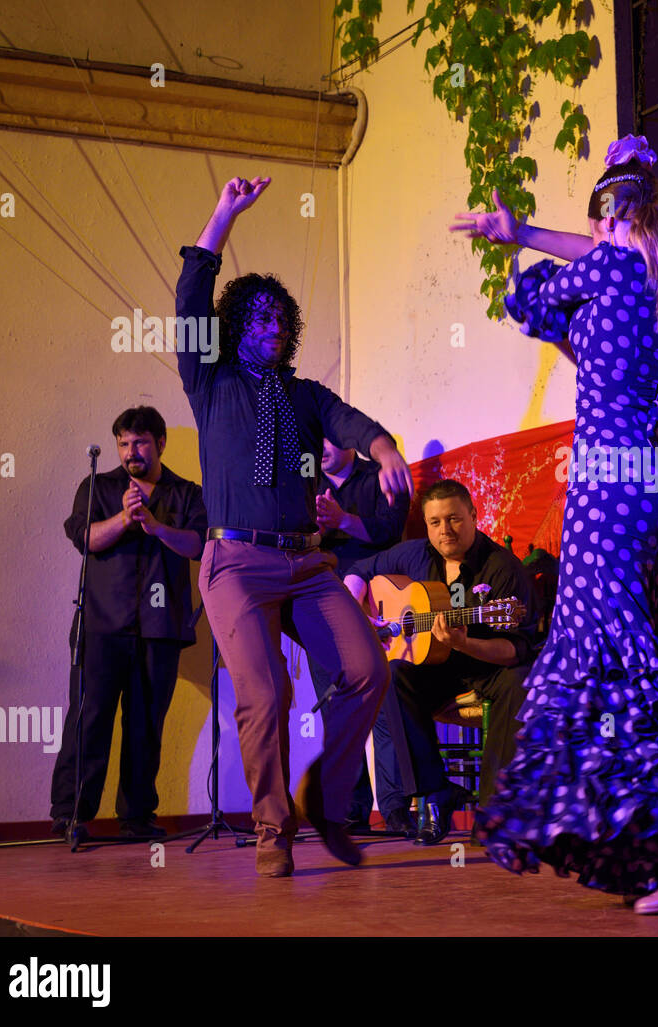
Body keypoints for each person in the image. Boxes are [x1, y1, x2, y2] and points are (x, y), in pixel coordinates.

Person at [450, 134, 658, 913]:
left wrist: (519, 237)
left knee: (613, 656)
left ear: (607, 223)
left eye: (597, 225)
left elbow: (528, 301)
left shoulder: (605, 272)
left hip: (611, 489)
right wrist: (558, 234)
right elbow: (612, 265)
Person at [175, 175, 414, 877]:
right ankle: (272, 828)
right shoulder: (209, 379)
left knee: (368, 670)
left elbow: (350, 421)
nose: (273, 328)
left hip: (308, 564)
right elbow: (190, 297)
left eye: (281, 320)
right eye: (259, 319)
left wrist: (384, 448)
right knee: (267, 689)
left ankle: (327, 800)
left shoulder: (303, 395)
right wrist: (223, 214)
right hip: (236, 565)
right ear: (236, 326)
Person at [343, 479, 539, 843]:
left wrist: (464, 644)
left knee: (519, 682)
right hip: (437, 667)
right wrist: (358, 612)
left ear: (474, 516)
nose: (444, 530)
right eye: (435, 522)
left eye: (454, 519)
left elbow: (516, 650)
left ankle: (496, 813)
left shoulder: (502, 569)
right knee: (393, 674)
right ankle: (435, 794)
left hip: (488, 668)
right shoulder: (416, 554)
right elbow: (359, 569)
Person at [53, 405, 206, 838]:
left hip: (160, 629)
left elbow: (197, 545)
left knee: (145, 726)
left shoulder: (186, 494)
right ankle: (71, 815)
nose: (130, 451)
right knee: (89, 719)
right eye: (123, 443)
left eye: (139, 442)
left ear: (160, 443)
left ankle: (136, 818)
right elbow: (84, 538)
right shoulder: (98, 487)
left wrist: (155, 526)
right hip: (101, 625)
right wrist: (123, 518)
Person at [309, 439, 409, 834]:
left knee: (384, 708)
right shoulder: (306, 482)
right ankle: (350, 809)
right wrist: (314, 532)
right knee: (336, 710)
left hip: (378, 607)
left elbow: (391, 530)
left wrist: (343, 520)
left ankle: (395, 807)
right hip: (321, 608)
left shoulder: (378, 476)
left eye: (328, 437)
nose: (321, 448)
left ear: (349, 439)